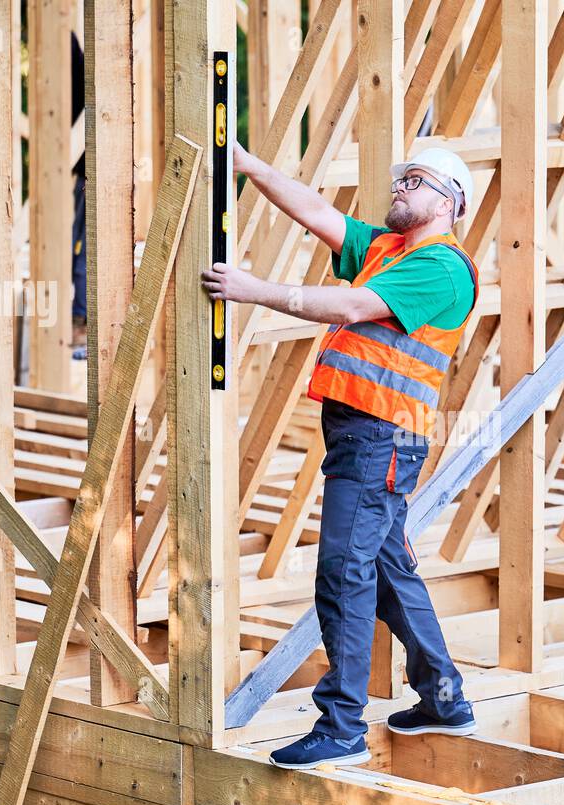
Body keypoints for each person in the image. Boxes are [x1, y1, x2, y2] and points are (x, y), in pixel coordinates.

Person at [202, 144, 480, 770]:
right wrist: (251, 167)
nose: (399, 187)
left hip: (382, 438)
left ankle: (342, 727)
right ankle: (443, 699)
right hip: (364, 435)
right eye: (399, 177)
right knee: (385, 569)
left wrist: (254, 290)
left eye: (416, 180)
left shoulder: (440, 266)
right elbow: (318, 213)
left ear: (448, 203)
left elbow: (352, 305)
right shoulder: (389, 248)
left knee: (343, 570)